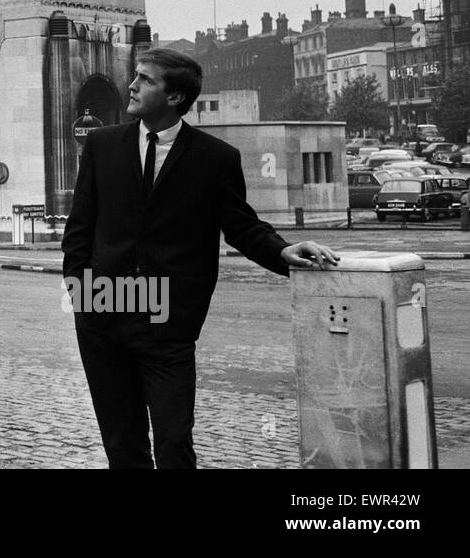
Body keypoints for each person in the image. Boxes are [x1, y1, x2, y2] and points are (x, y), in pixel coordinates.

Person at [61, 48, 338, 468]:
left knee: (173, 442)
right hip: (104, 315)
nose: (132, 86)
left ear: (175, 97)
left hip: (167, 323)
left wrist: (283, 250)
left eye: (146, 80)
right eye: (135, 77)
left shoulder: (215, 159)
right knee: (122, 444)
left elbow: (242, 226)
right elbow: (79, 229)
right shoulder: (102, 146)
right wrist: (82, 295)